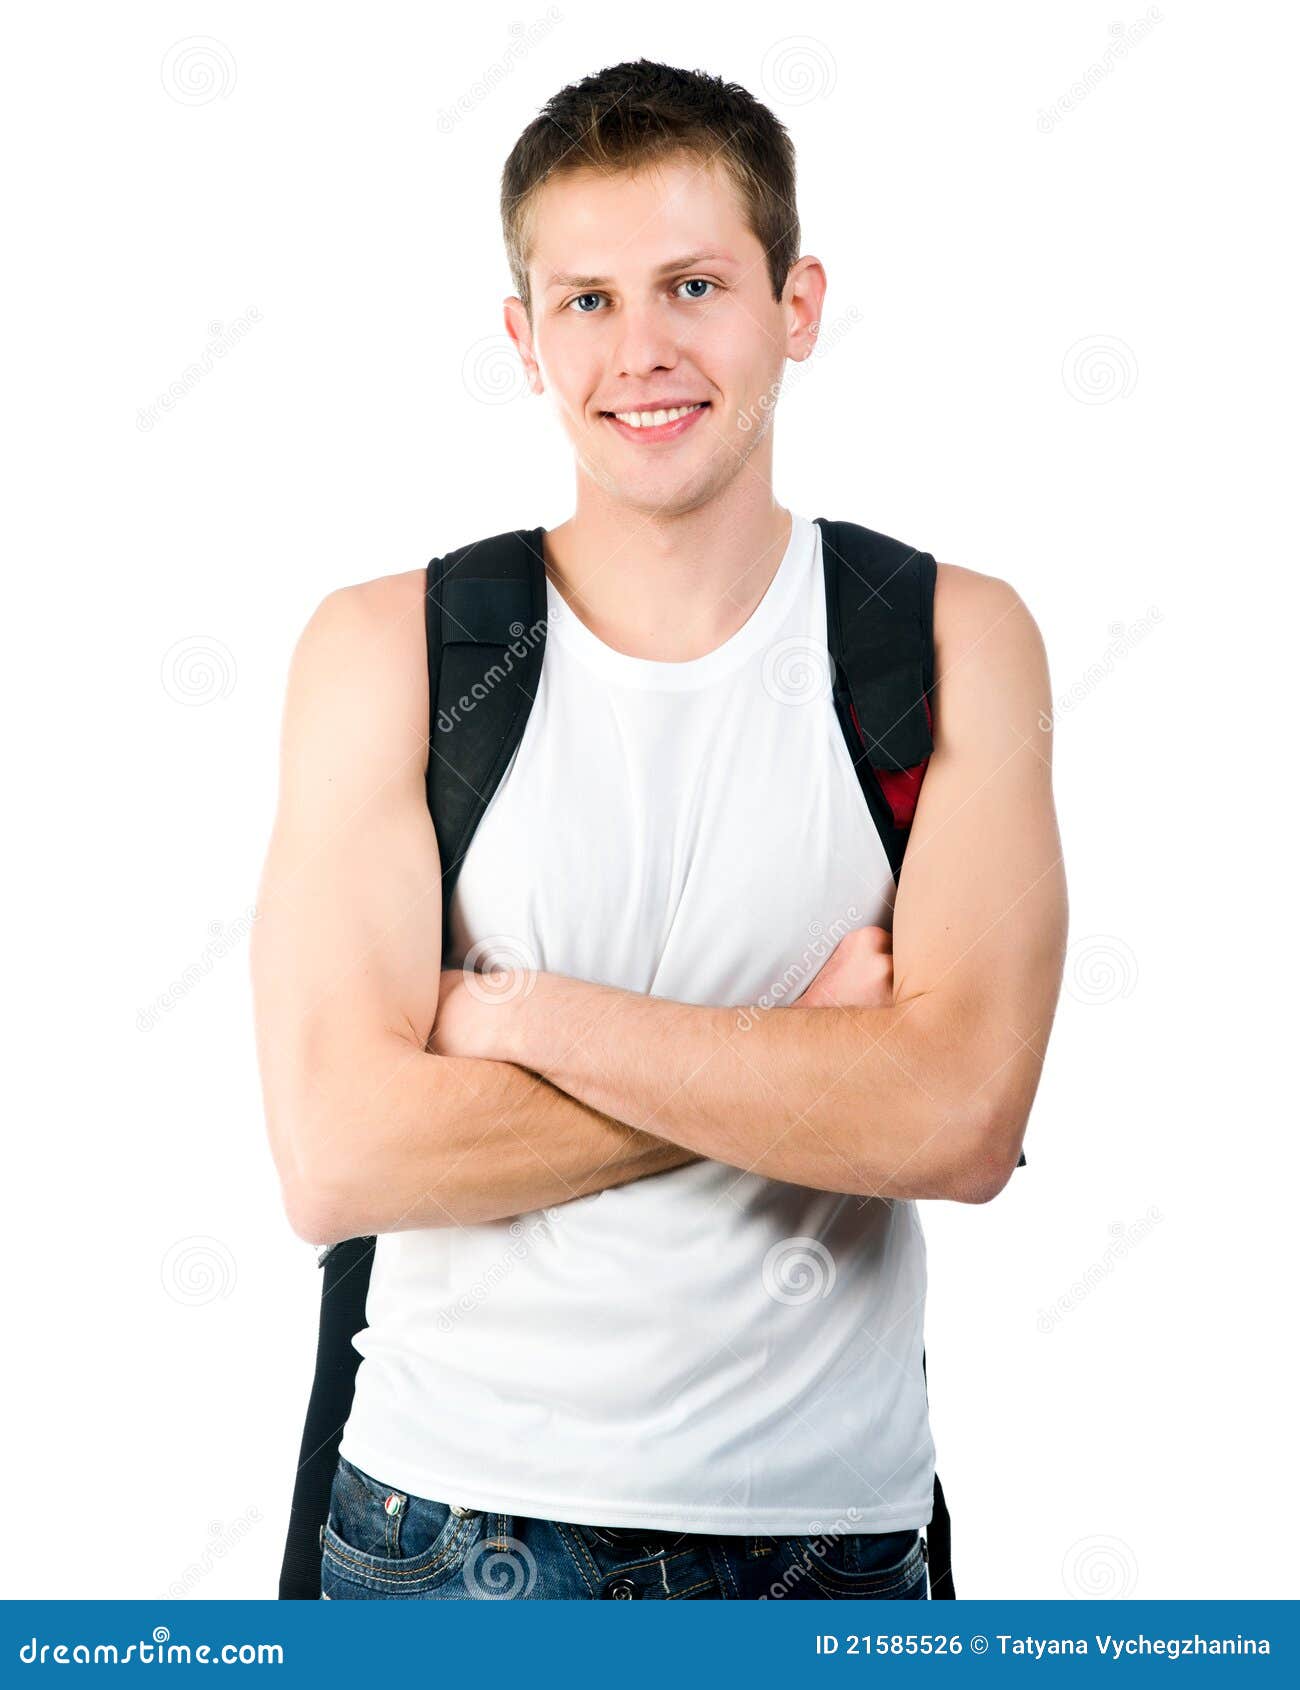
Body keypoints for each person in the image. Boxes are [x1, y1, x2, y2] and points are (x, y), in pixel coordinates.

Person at [250, 58, 1067, 1601]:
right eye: (587, 301)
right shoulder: (393, 650)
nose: (643, 352)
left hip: (830, 1545)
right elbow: (339, 1153)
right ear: (524, 337)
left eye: (695, 284)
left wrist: (522, 1019)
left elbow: (956, 1121)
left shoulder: (947, 638)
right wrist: (808, 1055)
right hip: (450, 1535)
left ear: (796, 305)